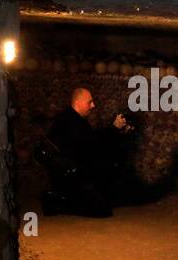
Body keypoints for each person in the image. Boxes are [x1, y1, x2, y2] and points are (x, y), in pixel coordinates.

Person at [38, 87, 134, 216]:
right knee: (102, 210)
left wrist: (117, 132)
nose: (93, 105)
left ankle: (62, 200)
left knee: (106, 198)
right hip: (70, 177)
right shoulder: (69, 121)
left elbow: (93, 143)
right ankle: (56, 200)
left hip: (76, 173)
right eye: (90, 102)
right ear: (78, 103)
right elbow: (91, 145)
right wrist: (114, 129)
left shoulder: (75, 120)